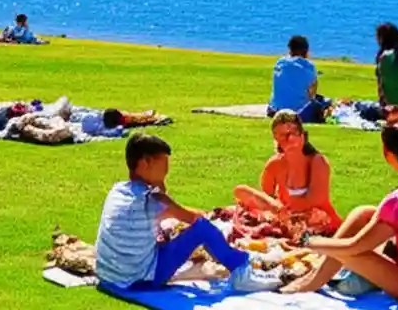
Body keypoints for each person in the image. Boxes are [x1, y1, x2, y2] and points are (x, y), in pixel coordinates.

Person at [282, 111, 398, 304]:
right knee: (363, 214)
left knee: (347, 253)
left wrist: (308, 241)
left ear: (389, 155)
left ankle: (312, 281)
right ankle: (314, 276)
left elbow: (353, 246)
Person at [94, 133, 281, 292]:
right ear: (146, 163)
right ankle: (242, 272)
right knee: (202, 229)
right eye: (163, 165)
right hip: (139, 280)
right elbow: (194, 218)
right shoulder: (153, 200)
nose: (166, 171)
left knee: (171, 233)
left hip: (108, 276)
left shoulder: (117, 191)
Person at [233, 110, 341, 234]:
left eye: (293, 132)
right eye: (283, 135)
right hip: (290, 226)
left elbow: (317, 201)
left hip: (323, 226)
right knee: (242, 194)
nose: (290, 139)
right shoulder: (274, 165)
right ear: (276, 139)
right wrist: (274, 207)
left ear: (302, 135)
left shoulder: (317, 161)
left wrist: (283, 210)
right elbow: (263, 196)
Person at [269, 35, 328, 123]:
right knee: (321, 103)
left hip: (275, 110)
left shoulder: (280, 63)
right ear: (306, 50)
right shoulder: (308, 66)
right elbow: (312, 95)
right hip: (298, 112)